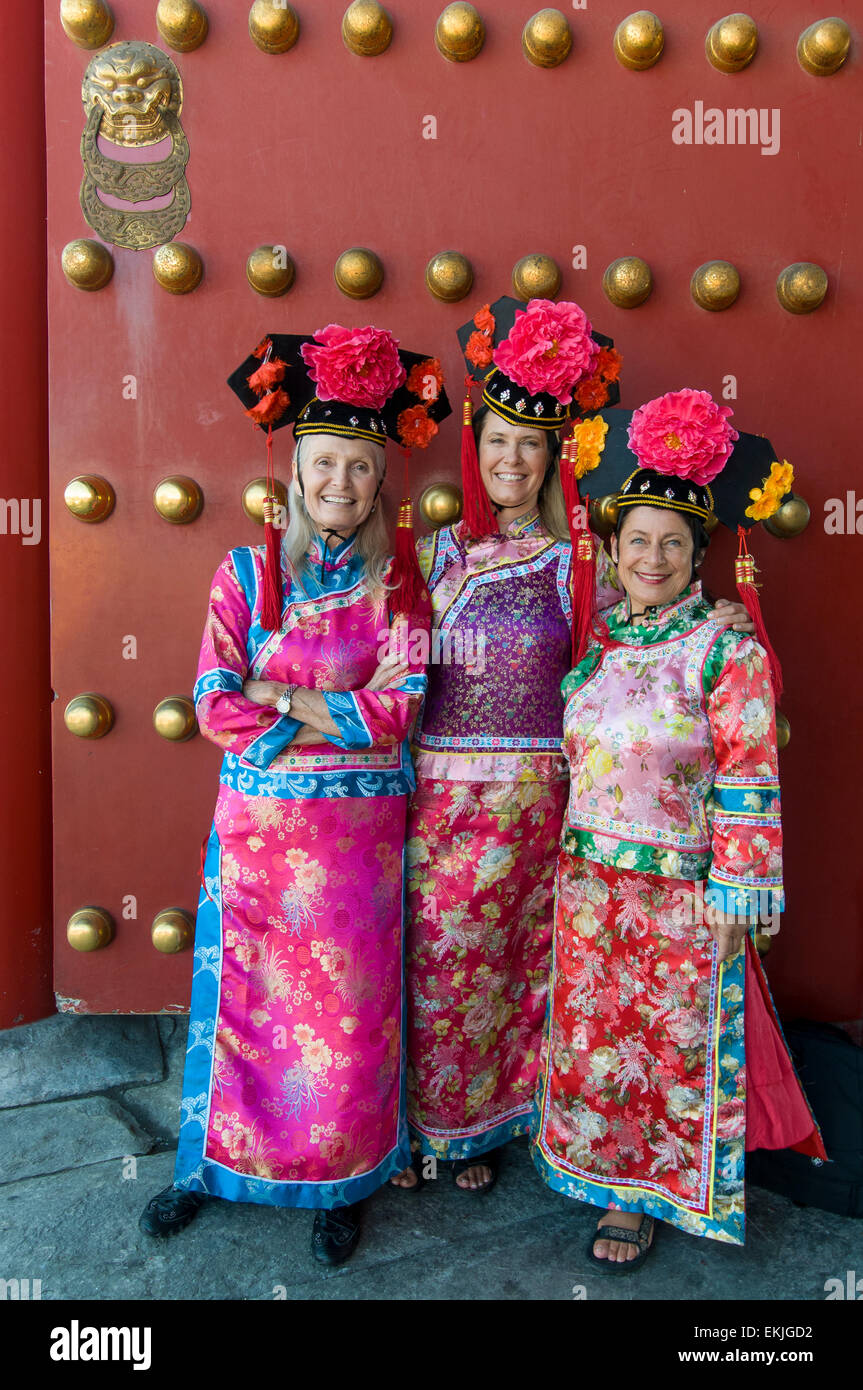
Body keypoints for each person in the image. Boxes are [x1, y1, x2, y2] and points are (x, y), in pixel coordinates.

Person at [393, 302, 752, 1195]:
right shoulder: (431, 555)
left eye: (530, 445)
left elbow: (634, 650)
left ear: (554, 458)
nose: (510, 460)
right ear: (473, 449)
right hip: (439, 799)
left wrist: (718, 614)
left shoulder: (577, 564)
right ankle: (426, 1122)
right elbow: (394, 669)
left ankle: (498, 1122)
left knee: (523, 970)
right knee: (434, 965)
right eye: (497, 441)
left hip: (543, 809)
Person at [138, 322, 450, 1264]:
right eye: (325, 463)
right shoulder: (242, 574)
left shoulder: (402, 587)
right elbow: (211, 703)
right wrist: (318, 711)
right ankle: (208, 1167)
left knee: (345, 1023)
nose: (340, 484)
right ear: (296, 469)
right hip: (260, 838)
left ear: (378, 480)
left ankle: (341, 1180)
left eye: (360, 467)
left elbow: (402, 707)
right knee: (239, 1008)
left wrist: (286, 696)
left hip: (358, 844)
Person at [529, 389, 825, 1268]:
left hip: (683, 893)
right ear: (611, 552)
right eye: (636, 540)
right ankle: (597, 1178)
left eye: (671, 542)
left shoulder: (724, 649)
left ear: (698, 557)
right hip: (588, 886)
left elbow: (748, 772)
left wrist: (740, 889)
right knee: (592, 1044)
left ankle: (653, 1196)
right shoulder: (601, 641)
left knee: (665, 1048)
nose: (650, 556)